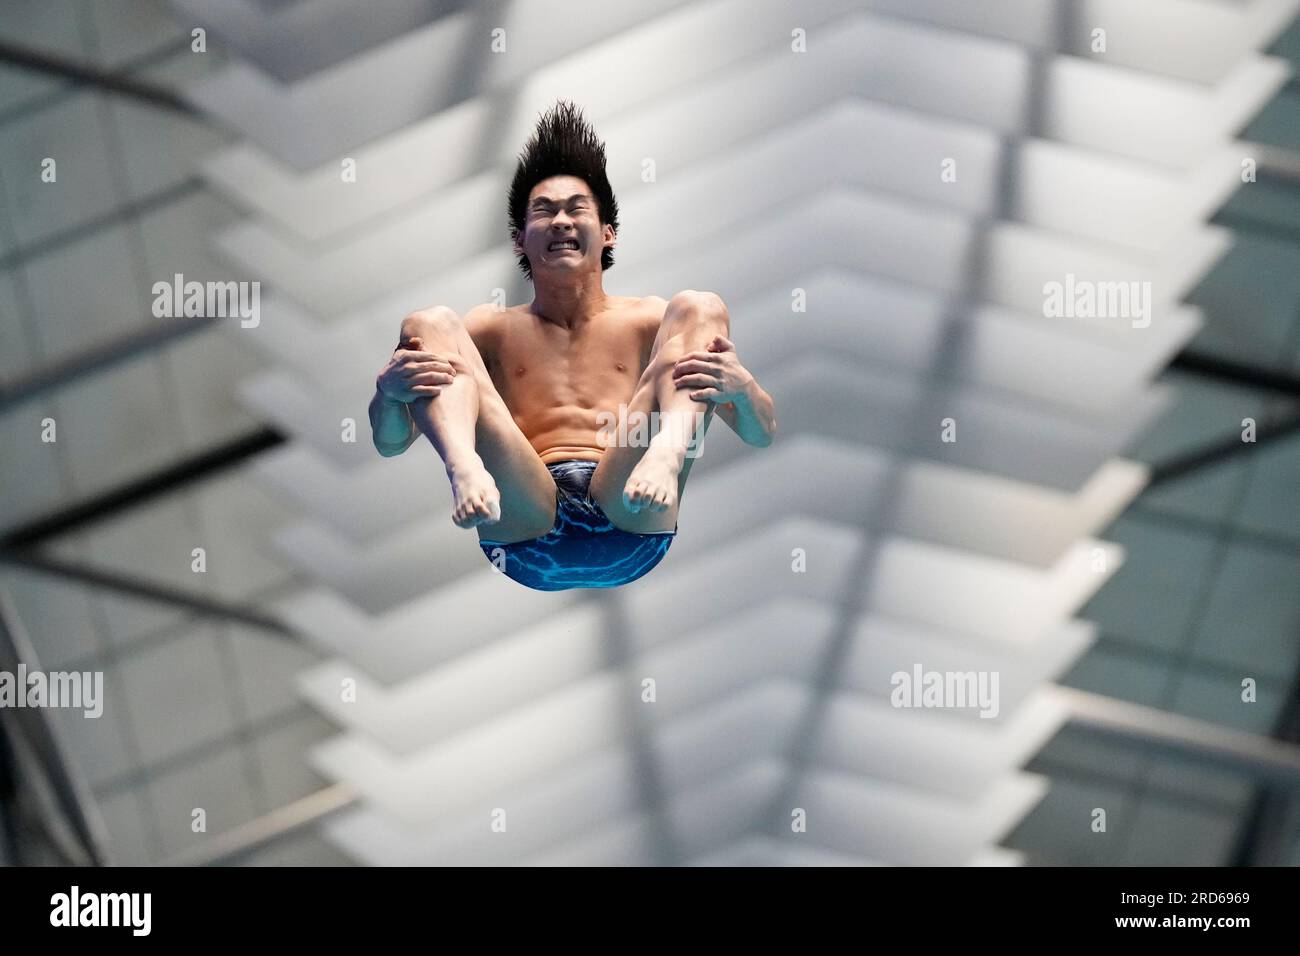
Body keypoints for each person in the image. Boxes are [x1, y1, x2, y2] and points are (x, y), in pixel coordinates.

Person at [368, 101, 776, 590]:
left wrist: (741, 385)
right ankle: (464, 468)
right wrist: (389, 393)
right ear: (520, 240)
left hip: (633, 506)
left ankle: (667, 451)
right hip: (522, 522)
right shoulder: (489, 332)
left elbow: (760, 432)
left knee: (698, 306)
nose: (560, 220)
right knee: (429, 322)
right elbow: (390, 443)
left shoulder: (652, 321)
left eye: (575, 208)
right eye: (544, 211)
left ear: (607, 234)